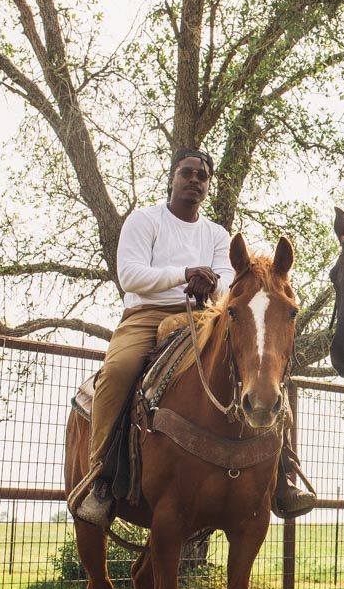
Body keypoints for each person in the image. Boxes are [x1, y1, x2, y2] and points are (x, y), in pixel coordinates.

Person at [72, 148, 314, 527]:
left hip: (203, 317)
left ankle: (283, 473)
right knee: (118, 371)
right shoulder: (144, 221)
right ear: (172, 177)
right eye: (187, 173)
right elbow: (131, 276)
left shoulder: (217, 235)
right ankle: (100, 476)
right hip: (145, 316)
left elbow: (228, 284)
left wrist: (211, 284)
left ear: (208, 185)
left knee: (262, 370)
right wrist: (184, 273)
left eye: (202, 176)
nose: (195, 181)